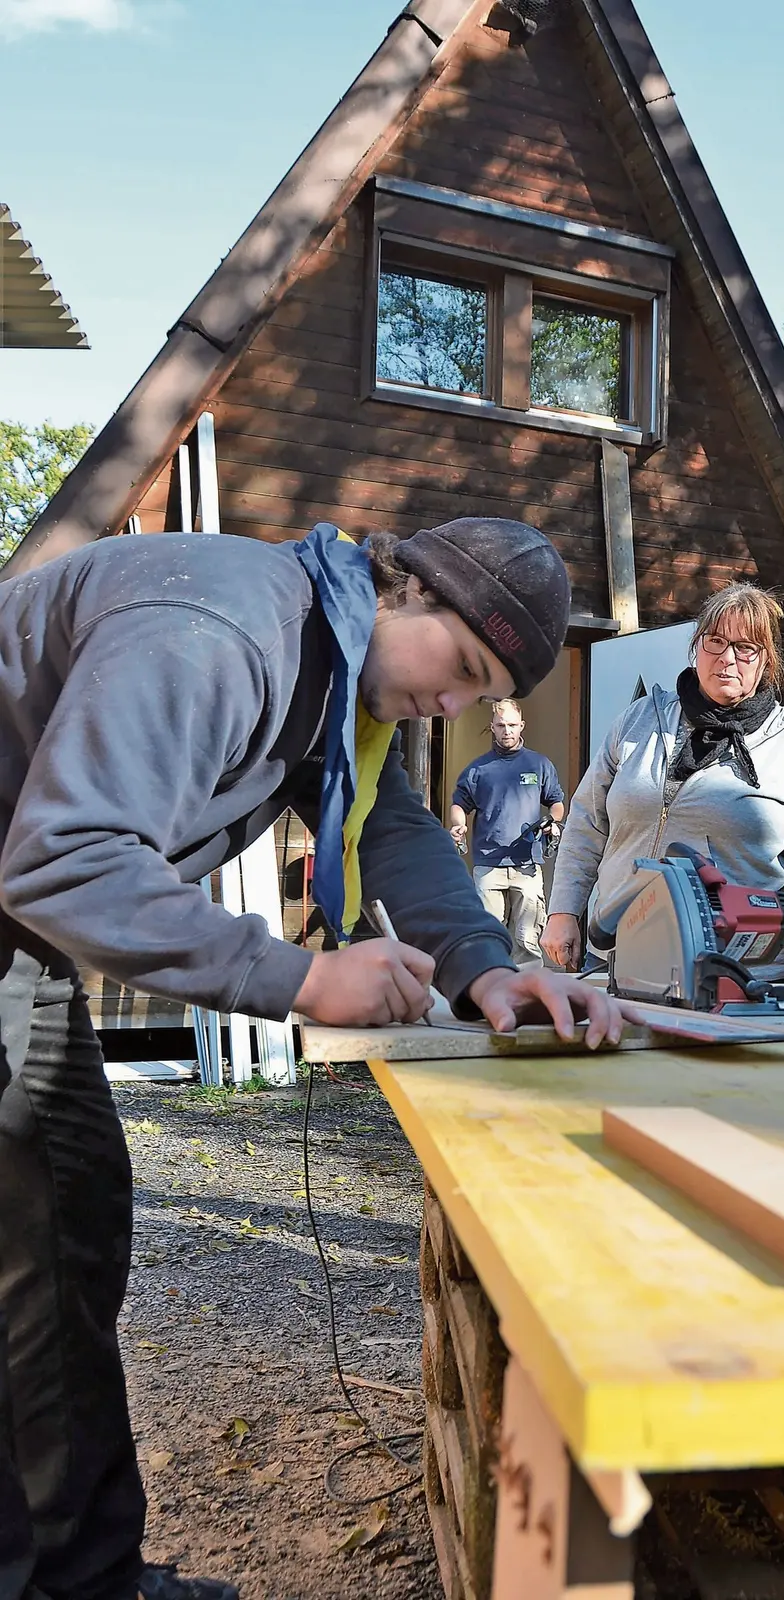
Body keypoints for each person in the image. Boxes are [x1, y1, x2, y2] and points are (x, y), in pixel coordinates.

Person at [0, 516, 621, 1600]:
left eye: (479, 696)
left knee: (64, 1227)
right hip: (22, 915)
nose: (452, 708)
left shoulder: (332, 664)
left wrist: (483, 967)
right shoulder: (222, 632)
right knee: (33, 1247)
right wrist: (294, 977)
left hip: (18, 938)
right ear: (400, 587)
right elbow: (66, 862)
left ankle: (80, 1578)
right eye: (461, 670)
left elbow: (390, 824)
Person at [543, 583, 784, 986]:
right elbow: (586, 822)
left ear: (766, 661)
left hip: (739, 975)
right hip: (622, 961)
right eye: (716, 641)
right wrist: (563, 911)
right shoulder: (640, 721)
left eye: (745, 648)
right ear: (696, 645)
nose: (727, 659)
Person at [449, 699, 565, 966]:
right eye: (501, 725)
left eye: (512, 725)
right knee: (489, 938)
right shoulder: (478, 769)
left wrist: (553, 821)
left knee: (527, 939)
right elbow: (459, 804)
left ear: (522, 725)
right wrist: (458, 824)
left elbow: (556, 802)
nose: (507, 730)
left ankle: (528, 1000)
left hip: (527, 865)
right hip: (489, 865)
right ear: (492, 727)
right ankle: (489, 996)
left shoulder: (539, 764)